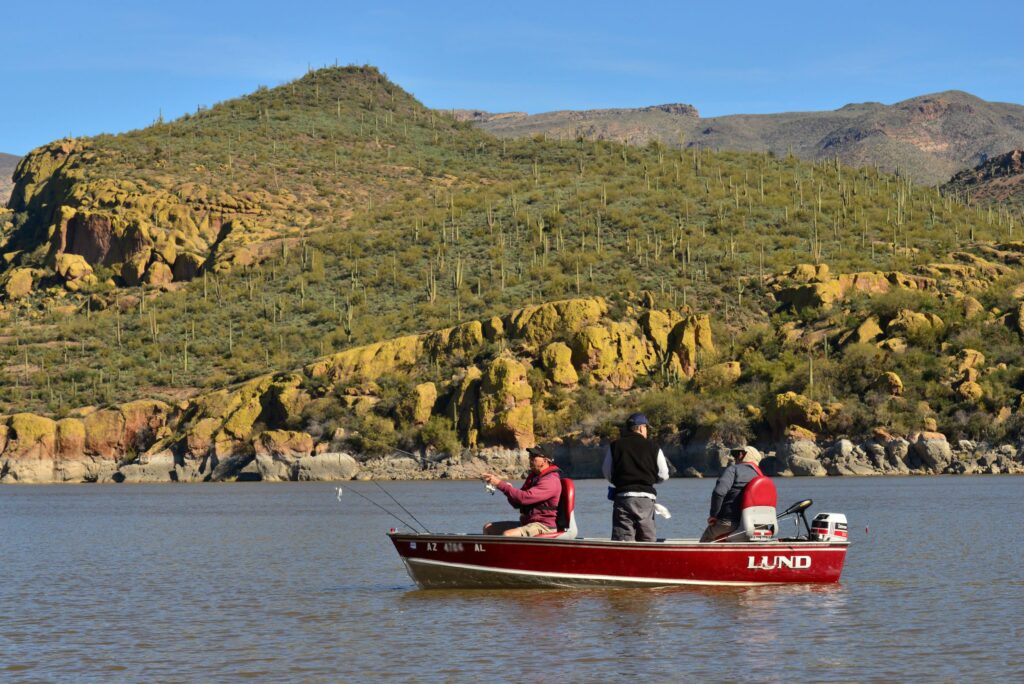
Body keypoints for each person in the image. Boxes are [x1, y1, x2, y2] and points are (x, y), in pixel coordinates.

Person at [602, 413, 669, 542]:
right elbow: (664, 474)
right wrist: (650, 480)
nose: (646, 431)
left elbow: (607, 472)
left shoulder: (615, 446)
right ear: (641, 428)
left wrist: (619, 481)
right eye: (646, 428)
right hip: (646, 500)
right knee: (647, 540)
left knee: (623, 541)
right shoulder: (654, 447)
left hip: (623, 498)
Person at [480, 447, 563, 537]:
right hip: (528, 523)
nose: (530, 459)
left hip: (544, 526)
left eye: (534, 456)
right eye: (530, 456)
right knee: (488, 528)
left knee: (508, 535)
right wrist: (507, 489)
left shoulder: (551, 480)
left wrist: (500, 484)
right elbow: (517, 504)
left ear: (545, 460)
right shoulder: (534, 477)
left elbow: (524, 498)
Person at [700, 445, 764, 542]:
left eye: (737, 454)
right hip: (754, 525)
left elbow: (719, 492)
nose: (735, 458)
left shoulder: (733, 470)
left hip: (729, 523)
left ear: (743, 455)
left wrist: (713, 516)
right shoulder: (759, 476)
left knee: (706, 539)